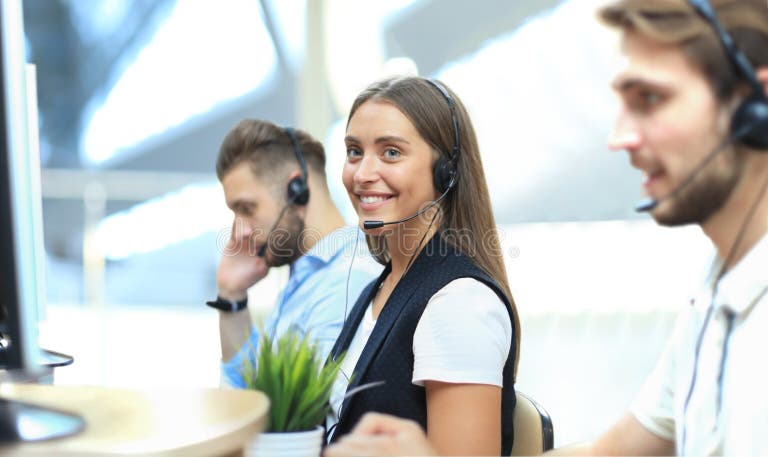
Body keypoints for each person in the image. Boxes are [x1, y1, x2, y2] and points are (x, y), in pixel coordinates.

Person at [324, 0, 768, 455]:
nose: (619, 138)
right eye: (354, 152)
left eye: (651, 99)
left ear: (756, 107)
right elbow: (606, 453)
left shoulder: (456, 301)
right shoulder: (714, 304)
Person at [324, 76, 521, 456]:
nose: (362, 173)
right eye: (353, 151)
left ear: (444, 172)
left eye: (391, 153)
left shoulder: (458, 304)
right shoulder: (380, 287)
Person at [211, 119, 381, 388]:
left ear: (297, 190)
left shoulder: (346, 281)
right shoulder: (305, 279)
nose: (240, 230)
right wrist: (231, 295)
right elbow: (248, 399)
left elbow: (288, 421)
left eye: (247, 208)